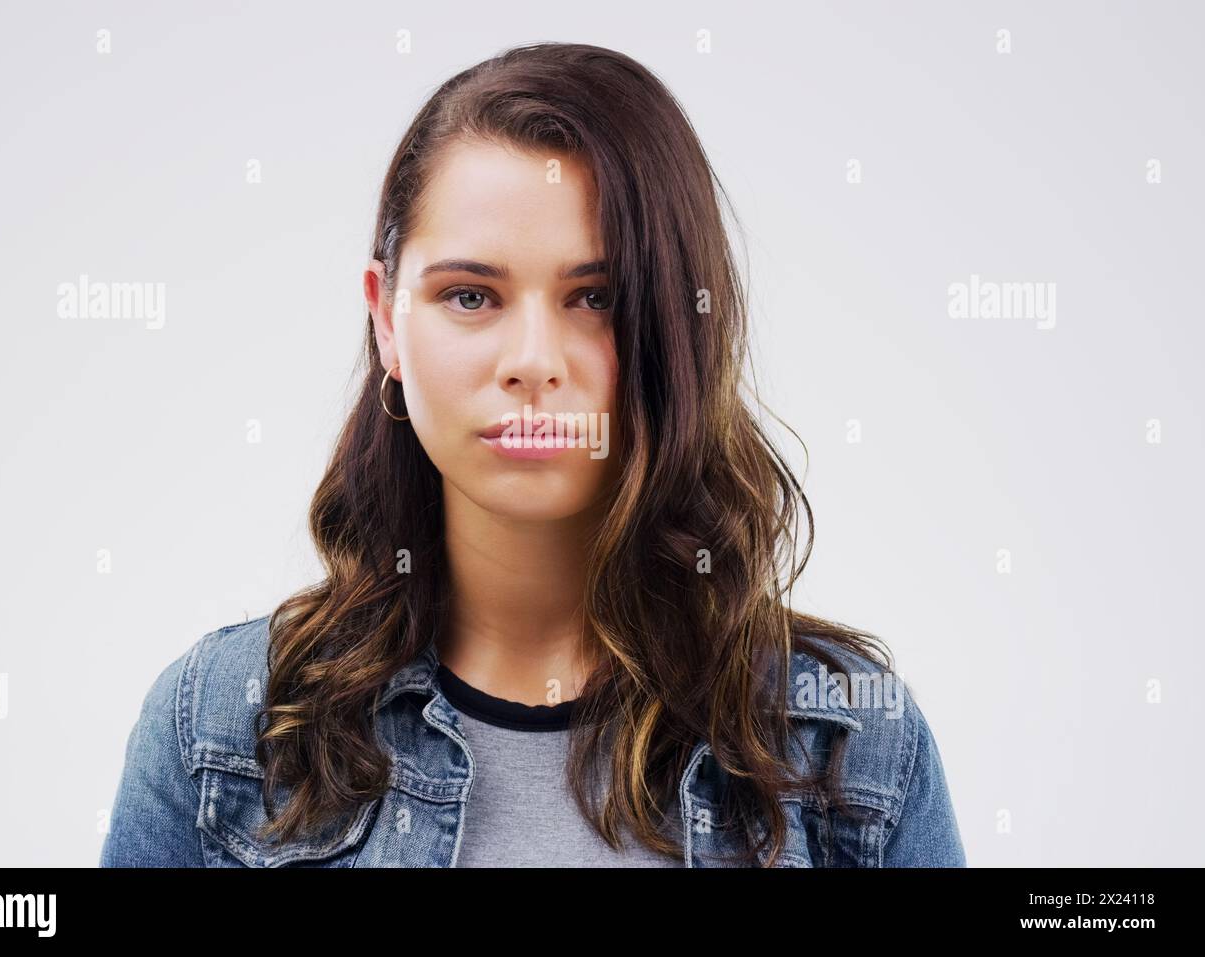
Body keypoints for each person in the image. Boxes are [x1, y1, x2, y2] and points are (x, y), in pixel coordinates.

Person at [100, 41, 966, 868]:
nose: (533, 361)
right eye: (471, 295)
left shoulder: (851, 745)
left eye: (595, 297)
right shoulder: (221, 728)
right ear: (385, 320)